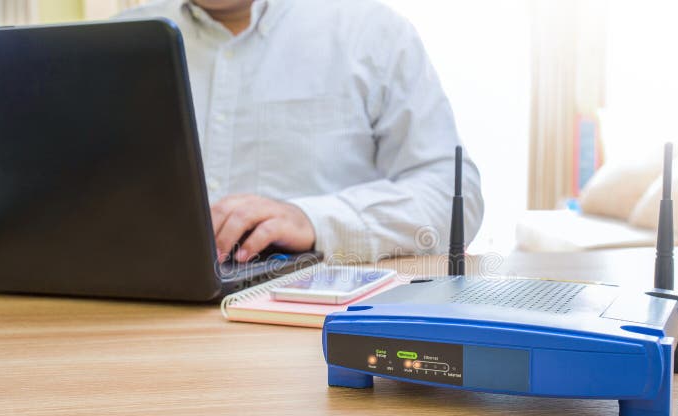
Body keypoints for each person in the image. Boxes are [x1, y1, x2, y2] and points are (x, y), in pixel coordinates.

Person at [118, 0, 483, 263]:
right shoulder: (120, 38)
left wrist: (315, 219)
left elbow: (454, 198)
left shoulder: (373, 32)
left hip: (320, 322)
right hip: (132, 317)